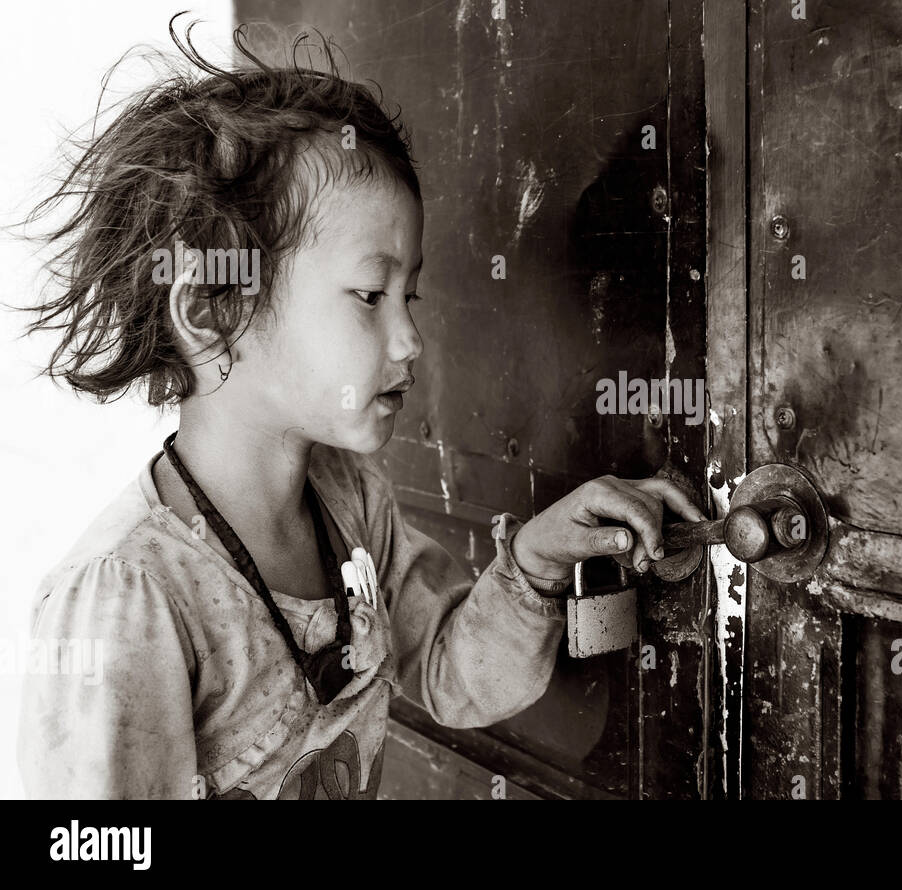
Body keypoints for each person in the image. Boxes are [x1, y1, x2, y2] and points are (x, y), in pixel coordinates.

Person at [15, 17, 703, 799]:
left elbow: (448, 673)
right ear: (210, 311)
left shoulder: (351, 504)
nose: (410, 340)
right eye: (369, 296)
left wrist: (535, 566)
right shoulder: (125, 597)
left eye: (408, 297)